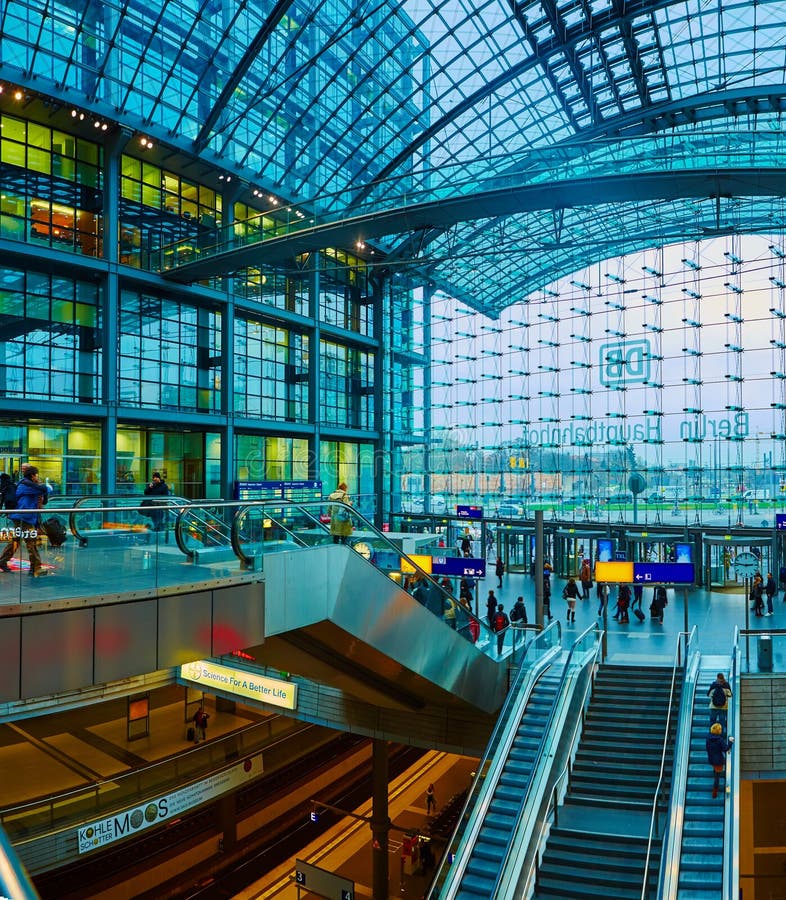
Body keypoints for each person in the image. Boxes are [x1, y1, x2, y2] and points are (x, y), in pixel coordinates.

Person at [0, 466, 49, 577]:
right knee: (31, 542)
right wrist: (42, 485)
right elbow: (46, 489)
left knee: (16, 540)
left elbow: (43, 496)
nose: (38, 477)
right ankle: (36, 568)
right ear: (32, 475)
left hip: (21, 517)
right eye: (37, 475)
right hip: (24, 518)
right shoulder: (26, 486)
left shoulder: (27, 485)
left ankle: (2, 561)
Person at [705, 722, 734, 798]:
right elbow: (725, 749)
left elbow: (707, 748)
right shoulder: (720, 740)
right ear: (718, 731)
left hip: (711, 759)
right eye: (720, 729)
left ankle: (714, 771)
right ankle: (714, 792)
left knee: (715, 769)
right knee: (717, 778)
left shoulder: (708, 738)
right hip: (718, 761)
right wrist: (731, 742)